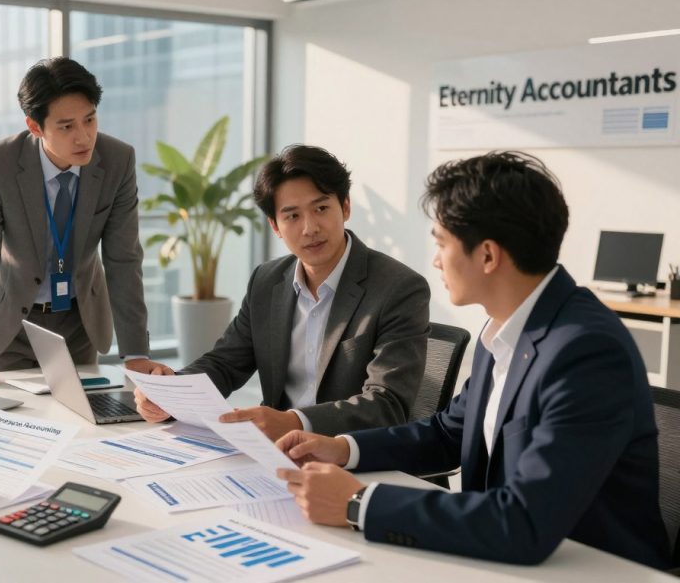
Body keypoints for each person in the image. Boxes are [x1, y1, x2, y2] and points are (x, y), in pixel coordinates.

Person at [275, 151, 671, 568]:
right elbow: (449, 434)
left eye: (441, 243)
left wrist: (358, 503)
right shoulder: (505, 328)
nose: (435, 259)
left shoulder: (585, 352)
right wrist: (341, 449)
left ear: (487, 256)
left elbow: (523, 523)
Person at [135, 145, 430, 440]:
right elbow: (225, 363)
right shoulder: (267, 281)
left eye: (321, 208)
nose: (310, 228)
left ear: (346, 207)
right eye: (292, 216)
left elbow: (387, 405)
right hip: (277, 452)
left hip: (353, 457)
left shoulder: (398, 288)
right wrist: (170, 391)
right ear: (275, 226)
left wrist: (296, 422)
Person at [0, 57, 169, 388]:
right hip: (11, 325)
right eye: (67, 126)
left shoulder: (118, 160)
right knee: (11, 425)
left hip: (78, 322)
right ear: (35, 127)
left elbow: (124, 259)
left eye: (90, 120)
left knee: (80, 423)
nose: (84, 137)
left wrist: (135, 352)